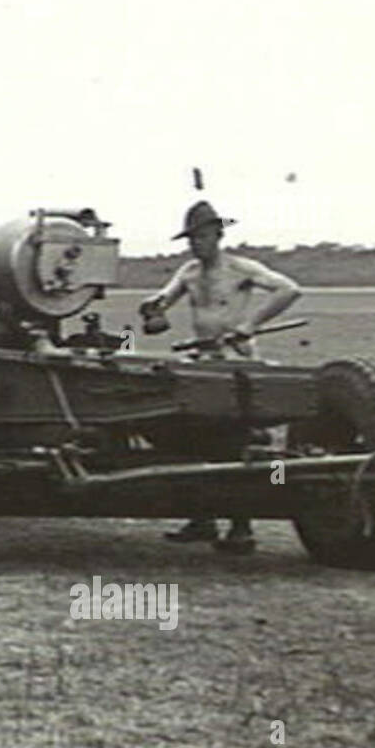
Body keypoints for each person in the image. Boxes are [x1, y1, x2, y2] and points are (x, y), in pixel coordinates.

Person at [139, 199, 303, 554]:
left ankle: (241, 528)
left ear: (217, 234)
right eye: (190, 238)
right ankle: (203, 520)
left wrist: (249, 325)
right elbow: (163, 300)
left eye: (200, 236)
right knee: (194, 439)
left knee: (236, 441)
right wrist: (152, 308)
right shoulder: (189, 272)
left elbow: (289, 289)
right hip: (202, 358)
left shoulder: (240, 268)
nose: (194, 244)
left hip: (235, 360)